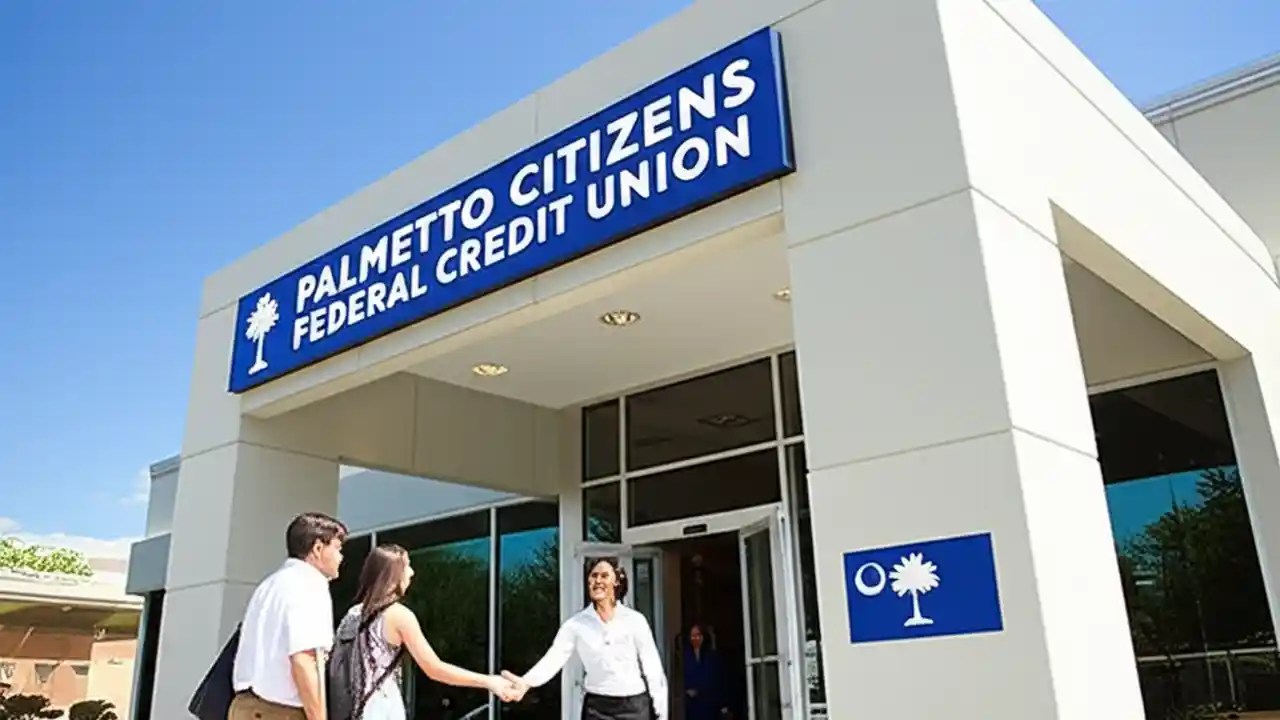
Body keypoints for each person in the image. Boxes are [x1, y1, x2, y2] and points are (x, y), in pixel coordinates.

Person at [336, 543, 519, 719]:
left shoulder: (351, 615)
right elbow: (435, 669)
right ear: (393, 575)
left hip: (348, 709)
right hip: (380, 709)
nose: (412, 573)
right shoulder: (398, 615)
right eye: (407, 566)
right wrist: (489, 681)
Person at [502, 558, 667, 720]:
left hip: (634, 705)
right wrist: (526, 683)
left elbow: (652, 667)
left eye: (604, 576)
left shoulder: (635, 620)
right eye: (593, 576)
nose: (598, 581)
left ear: (616, 582)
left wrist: (661, 711)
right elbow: (553, 659)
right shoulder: (575, 625)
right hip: (597, 706)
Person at [231, 512, 348, 720]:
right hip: (280, 712)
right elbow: (304, 659)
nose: (341, 557)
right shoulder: (310, 585)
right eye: (338, 549)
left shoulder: (269, 584)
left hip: (243, 707)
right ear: (318, 548)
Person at [681, 624, 725, 720]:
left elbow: (717, 680)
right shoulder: (684, 656)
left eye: (698, 635)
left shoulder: (711, 656)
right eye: (692, 635)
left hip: (708, 705)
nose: (695, 638)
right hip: (691, 706)